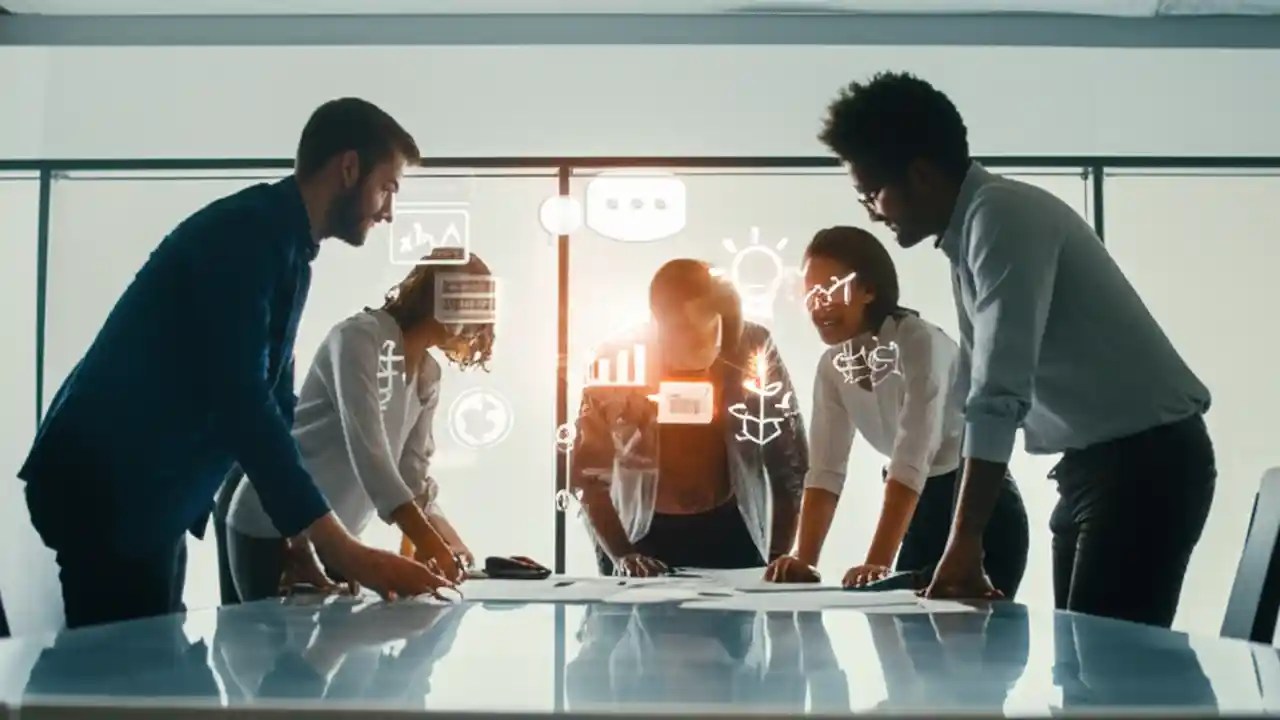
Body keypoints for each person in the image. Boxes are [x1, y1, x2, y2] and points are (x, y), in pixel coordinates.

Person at [20, 97, 451, 629]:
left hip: (151, 496)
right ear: (348, 168)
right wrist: (345, 551)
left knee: (152, 667)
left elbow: (274, 405)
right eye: (388, 187)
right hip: (110, 487)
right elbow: (241, 401)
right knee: (127, 680)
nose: (388, 209)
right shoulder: (248, 237)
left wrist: (297, 536)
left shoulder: (287, 251)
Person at [818, 71, 1215, 628]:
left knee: (1110, 679)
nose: (871, 211)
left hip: (1145, 465)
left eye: (872, 193)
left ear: (922, 175)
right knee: (1084, 669)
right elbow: (969, 390)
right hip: (1093, 467)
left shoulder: (1000, 217)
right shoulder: (968, 236)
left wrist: (965, 541)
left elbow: (998, 393)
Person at [764, 226, 1028, 596]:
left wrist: (877, 564)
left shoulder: (919, 342)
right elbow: (825, 470)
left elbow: (912, 457)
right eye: (811, 293)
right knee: (907, 642)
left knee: (975, 647)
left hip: (977, 509)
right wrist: (804, 560)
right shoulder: (832, 366)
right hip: (920, 512)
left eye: (833, 289)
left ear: (870, 290)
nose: (819, 304)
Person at [224, 252, 493, 602]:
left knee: (331, 651)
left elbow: (412, 476)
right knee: (264, 653)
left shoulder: (429, 375)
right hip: (273, 523)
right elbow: (371, 456)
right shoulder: (358, 338)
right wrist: (429, 541)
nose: (480, 322)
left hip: (341, 537)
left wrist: (447, 537)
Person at [570, 259, 807, 577]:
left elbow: (789, 459)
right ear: (657, 318)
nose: (692, 343)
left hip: (735, 528)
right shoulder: (618, 357)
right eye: (680, 330)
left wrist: (779, 555)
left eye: (702, 330)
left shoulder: (752, 348)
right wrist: (622, 554)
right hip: (640, 532)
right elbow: (586, 474)